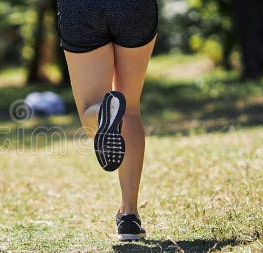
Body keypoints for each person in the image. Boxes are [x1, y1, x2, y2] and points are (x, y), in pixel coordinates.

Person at [57, 0, 157, 241]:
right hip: (133, 7)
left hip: (81, 7)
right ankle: (129, 217)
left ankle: (103, 112)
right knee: (129, 109)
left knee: (91, 108)